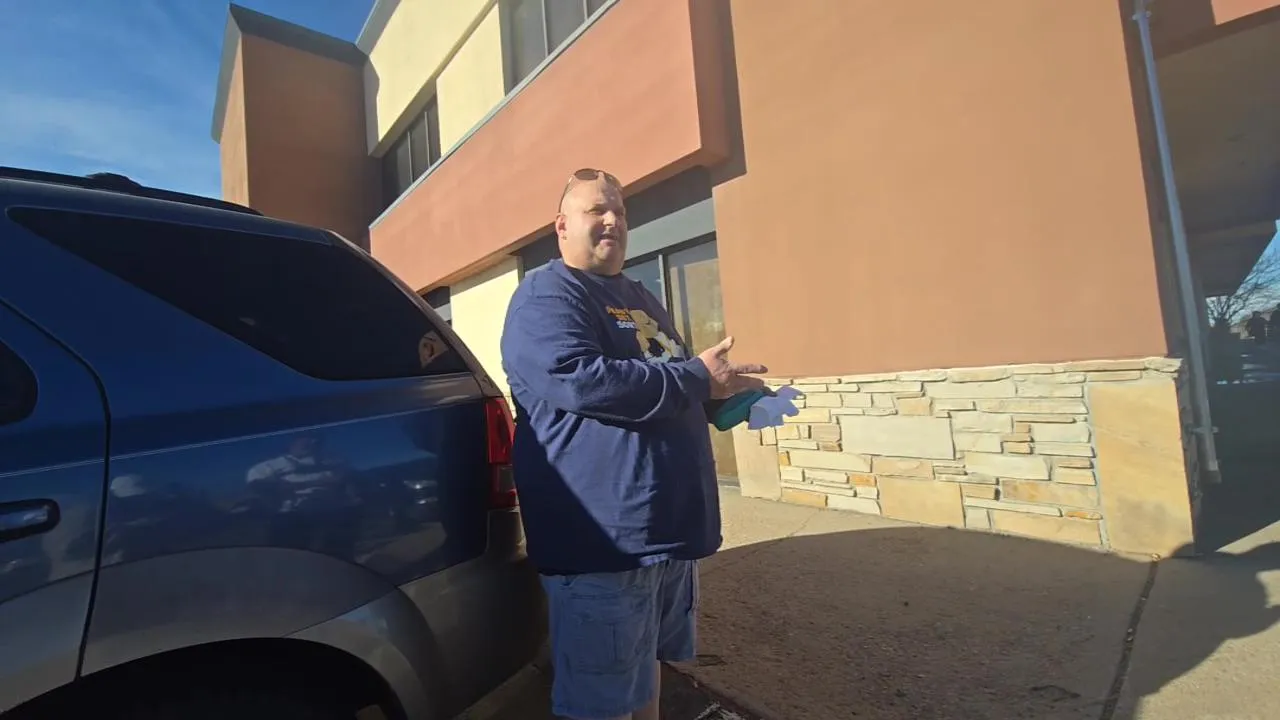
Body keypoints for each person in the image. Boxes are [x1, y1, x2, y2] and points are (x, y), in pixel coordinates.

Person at [500, 168, 768, 720]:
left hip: (667, 536)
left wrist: (725, 397)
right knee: (600, 705)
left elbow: (668, 380)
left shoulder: (640, 295)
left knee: (646, 674)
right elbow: (581, 379)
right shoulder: (546, 296)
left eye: (619, 211)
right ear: (561, 226)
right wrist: (696, 379)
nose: (613, 220)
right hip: (605, 545)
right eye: (596, 210)